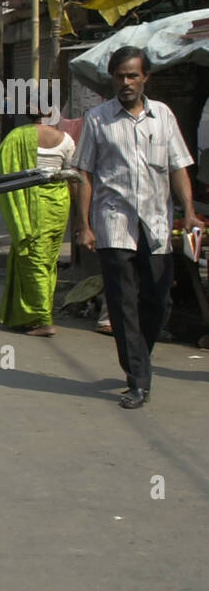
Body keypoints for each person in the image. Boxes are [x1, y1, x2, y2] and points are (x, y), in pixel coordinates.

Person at [74, 46, 203, 409]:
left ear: (145, 78)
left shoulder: (162, 116)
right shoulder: (98, 119)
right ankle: (138, 379)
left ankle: (138, 359)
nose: (126, 82)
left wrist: (189, 212)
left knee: (159, 301)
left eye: (133, 75)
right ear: (112, 79)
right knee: (122, 302)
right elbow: (82, 173)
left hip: (157, 223)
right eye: (120, 76)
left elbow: (178, 166)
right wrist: (84, 225)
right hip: (114, 223)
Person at [0, 105, 76, 337]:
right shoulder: (66, 139)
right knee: (48, 259)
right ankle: (35, 313)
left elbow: (3, 171)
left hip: (30, 203)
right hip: (59, 203)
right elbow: (70, 175)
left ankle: (43, 319)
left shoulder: (15, 137)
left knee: (32, 259)